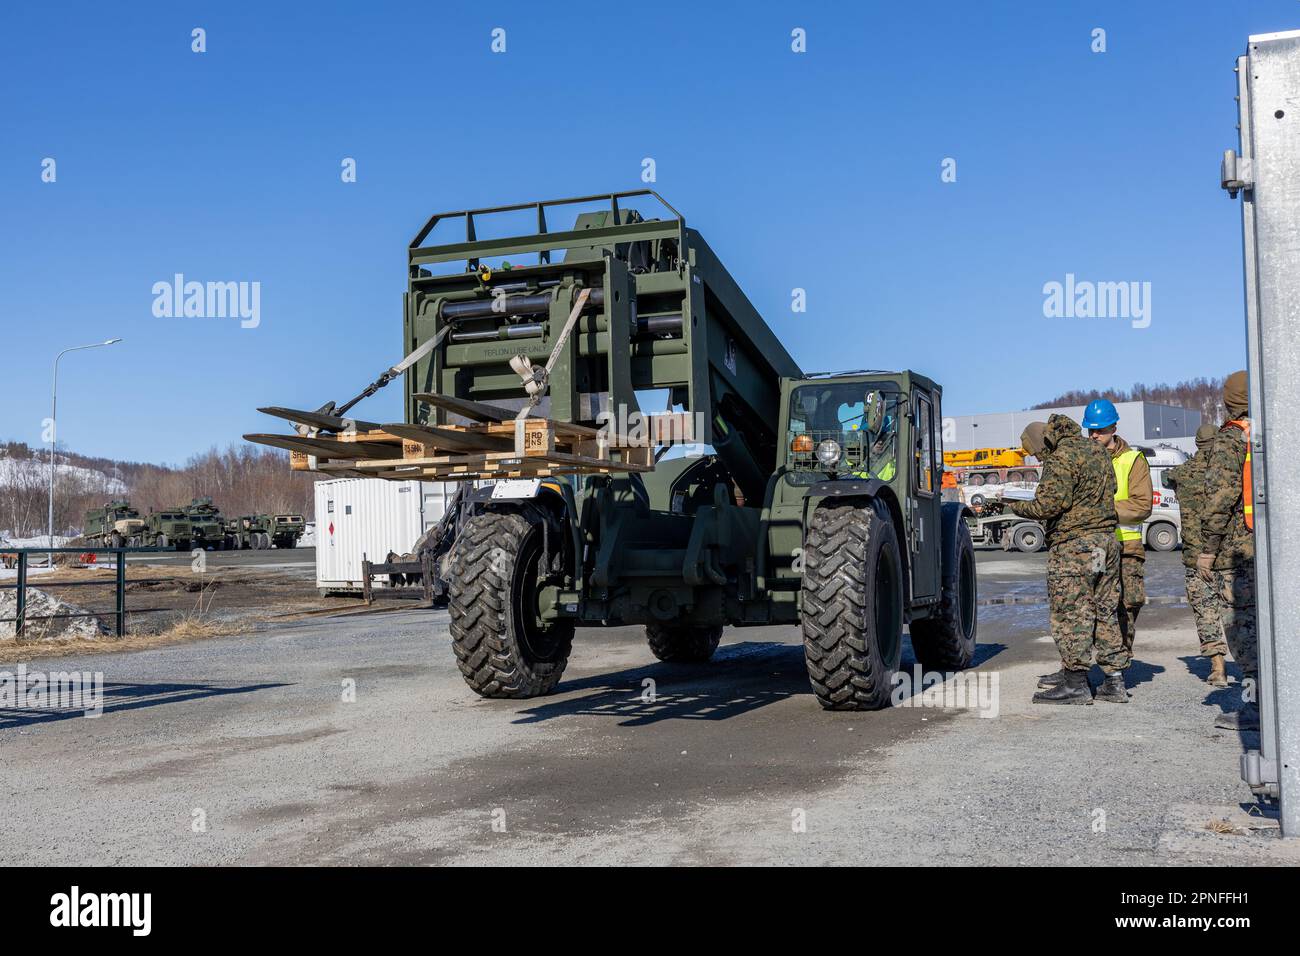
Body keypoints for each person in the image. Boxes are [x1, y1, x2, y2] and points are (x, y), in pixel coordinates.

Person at [1011, 415, 1126, 704]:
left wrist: (1014, 506)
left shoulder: (1061, 457)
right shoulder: (1097, 450)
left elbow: (1050, 504)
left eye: (1037, 452)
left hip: (1075, 548)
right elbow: (1110, 489)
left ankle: (1075, 683)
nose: (1039, 458)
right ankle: (1114, 681)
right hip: (1105, 545)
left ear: (1044, 442)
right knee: (1104, 610)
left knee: (1072, 612)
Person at [1199, 370, 1259, 731]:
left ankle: (1256, 709)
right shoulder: (1278, 429)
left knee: (1243, 630)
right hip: (1277, 549)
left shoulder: (1231, 440)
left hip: (1240, 552)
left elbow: (1220, 500)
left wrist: (1208, 550)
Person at [1081, 399, 1153, 659]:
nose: (1093, 435)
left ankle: (1121, 658)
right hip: (1097, 548)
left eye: (1098, 430)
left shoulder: (1133, 460)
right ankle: (1104, 660)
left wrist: (1104, 509)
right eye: (1090, 430)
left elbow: (1142, 505)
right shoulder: (1085, 460)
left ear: (1113, 428)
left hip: (1126, 547)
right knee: (1096, 603)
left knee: (1128, 604)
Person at [1165, 423, 1229, 685]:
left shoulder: (1182, 473)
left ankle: (1217, 668)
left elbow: (1169, 478)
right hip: (1227, 556)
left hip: (1194, 556)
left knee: (1206, 613)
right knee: (1237, 613)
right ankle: (1252, 670)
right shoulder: (1226, 472)